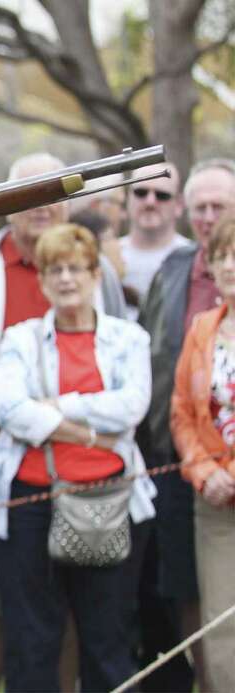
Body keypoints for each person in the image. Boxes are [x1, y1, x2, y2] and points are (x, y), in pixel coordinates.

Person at [0, 153, 127, 693]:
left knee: (65, 605)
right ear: (6, 203)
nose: (42, 208)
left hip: (87, 477)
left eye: (54, 194)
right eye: (28, 194)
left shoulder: (98, 271)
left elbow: (121, 363)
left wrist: (80, 431)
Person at [0, 224, 154, 691]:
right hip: (28, 501)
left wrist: (59, 405)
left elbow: (132, 405)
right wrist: (91, 432)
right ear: (42, 280)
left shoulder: (129, 338)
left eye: (76, 268)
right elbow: (7, 408)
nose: (66, 278)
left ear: (96, 275)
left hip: (110, 501)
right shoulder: (21, 338)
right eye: (55, 269)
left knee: (107, 638)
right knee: (32, 638)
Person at [137, 158, 235, 691]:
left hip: (223, 465)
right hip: (183, 466)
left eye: (219, 206)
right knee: (193, 591)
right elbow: (168, 382)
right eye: (199, 208)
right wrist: (198, 465)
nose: (207, 216)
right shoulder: (173, 270)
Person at [169, 214, 235, 692]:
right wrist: (204, 471)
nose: (230, 265)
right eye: (220, 255)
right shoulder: (201, 328)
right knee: (222, 628)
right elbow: (182, 415)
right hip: (214, 502)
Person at [120, 163, 189, 303]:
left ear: (179, 205)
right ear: (127, 197)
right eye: (141, 193)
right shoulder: (106, 257)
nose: (150, 202)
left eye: (162, 195)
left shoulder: (191, 259)